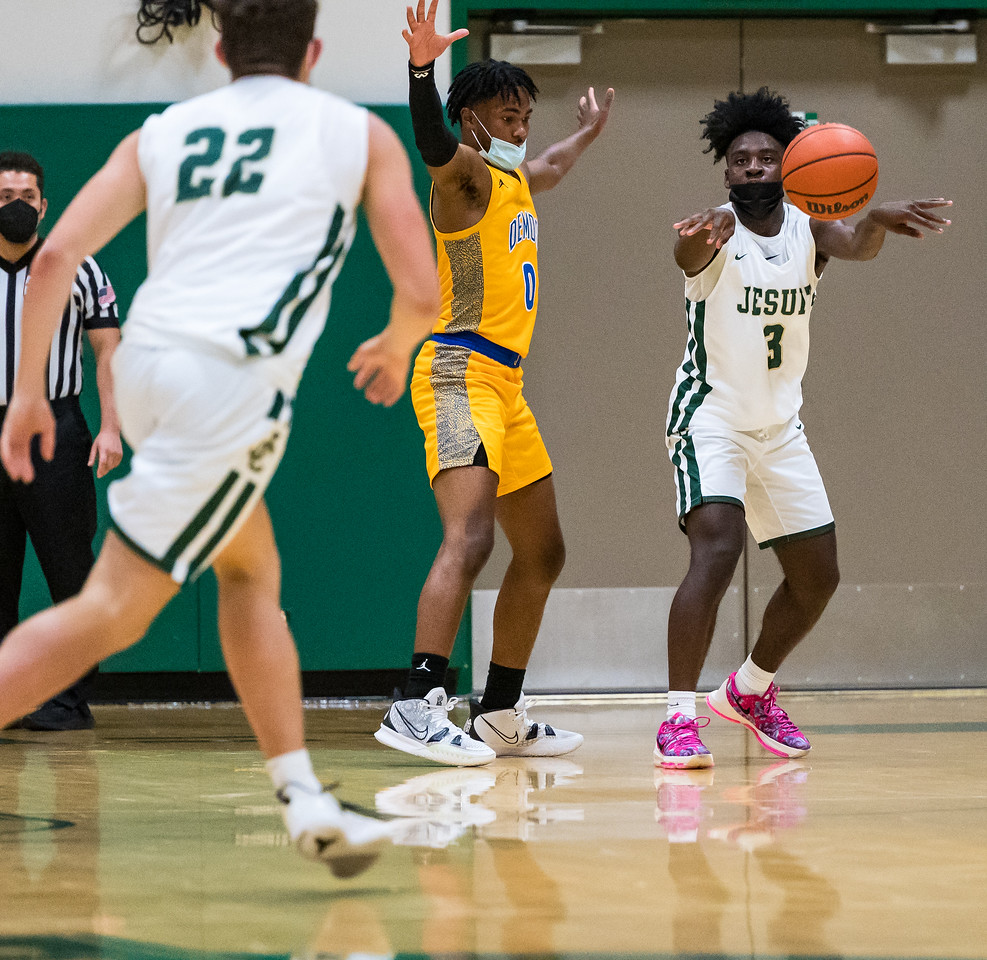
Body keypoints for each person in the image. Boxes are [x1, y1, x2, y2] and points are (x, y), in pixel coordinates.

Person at [0, 0, 440, 878]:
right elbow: (422, 290)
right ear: (313, 52)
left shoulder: (165, 131)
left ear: (219, 48)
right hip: (227, 390)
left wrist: (24, 396)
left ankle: (306, 802)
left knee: (248, 571)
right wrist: (393, 346)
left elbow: (52, 262)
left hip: (155, 368)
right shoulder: (356, 133)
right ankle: (305, 799)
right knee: (110, 614)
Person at [656, 87, 952, 769]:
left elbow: (853, 243)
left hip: (778, 428)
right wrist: (691, 241)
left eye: (766, 156)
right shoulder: (714, 232)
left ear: (789, 165)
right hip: (711, 419)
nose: (754, 167)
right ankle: (675, 717)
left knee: (818, 577)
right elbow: (685, 259)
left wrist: (874, 216)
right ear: (725, 172)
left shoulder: (808, 227)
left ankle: (748, 691)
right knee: (717, 549)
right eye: (740, 160)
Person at [374, 0, 614, 767]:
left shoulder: (516, 179)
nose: (519, 127)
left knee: (542, 554)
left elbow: (551, 165)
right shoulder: (466, 178)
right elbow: (429, 143)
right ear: (470, 120)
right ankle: (413, 702)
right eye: (505, 115)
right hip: (456, 371)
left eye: (525, 115)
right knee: (470, 537)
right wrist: (420, 70)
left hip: (506, 387)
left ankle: (498, 712)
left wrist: (586, 134)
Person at [0, 150, 122, 732]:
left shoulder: (81, 268)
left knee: (69, 570)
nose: (15, 207)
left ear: (44, 205)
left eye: (26, 198)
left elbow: (108, 353)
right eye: (5, 198)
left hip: (57, 430)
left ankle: (69, 700)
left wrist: (113, 426)